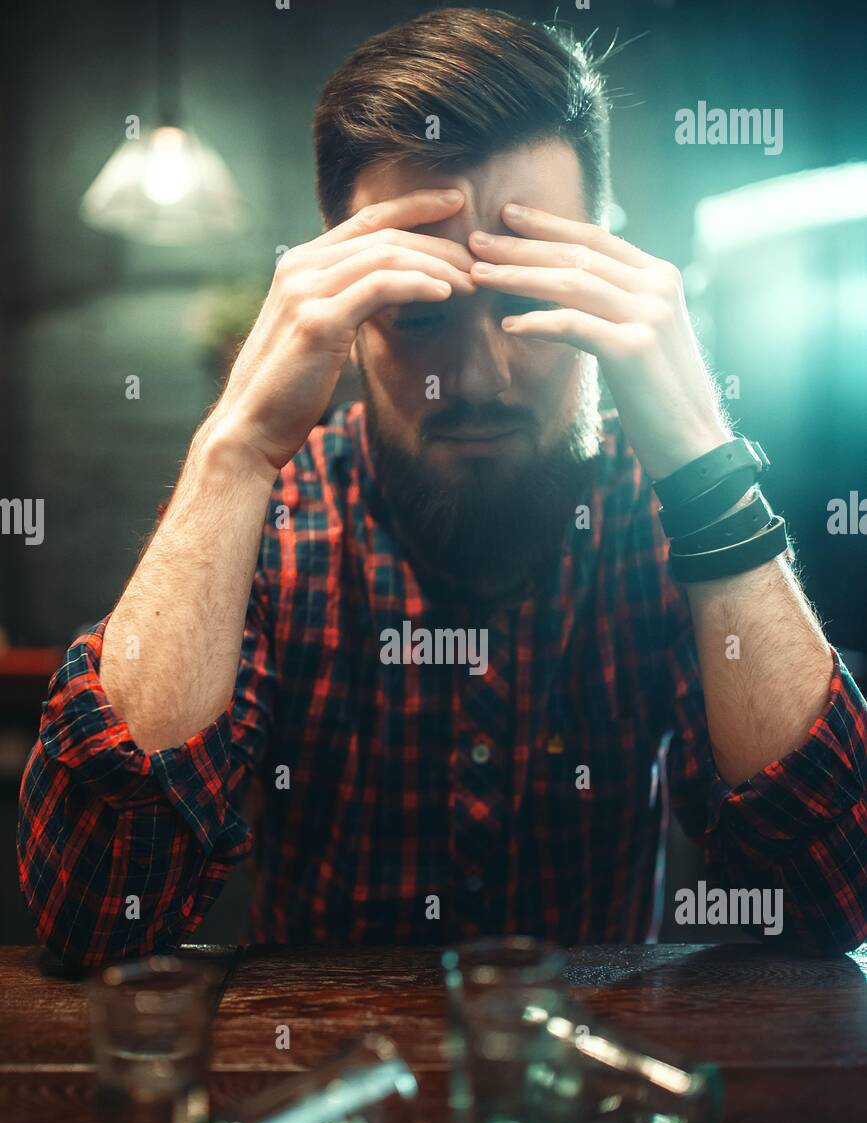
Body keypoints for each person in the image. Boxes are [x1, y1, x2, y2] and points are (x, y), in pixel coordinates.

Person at [18, 9, 867, 968]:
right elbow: (94, 916)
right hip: (322, 1094)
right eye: (418, 313)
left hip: (583, 1089)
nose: (475, 380)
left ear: (600, 276)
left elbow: (830, 903)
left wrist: (703, 457)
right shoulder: (284, 520)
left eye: (529, 303)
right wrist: (235, 448)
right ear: (342, 308)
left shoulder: (656, 515)